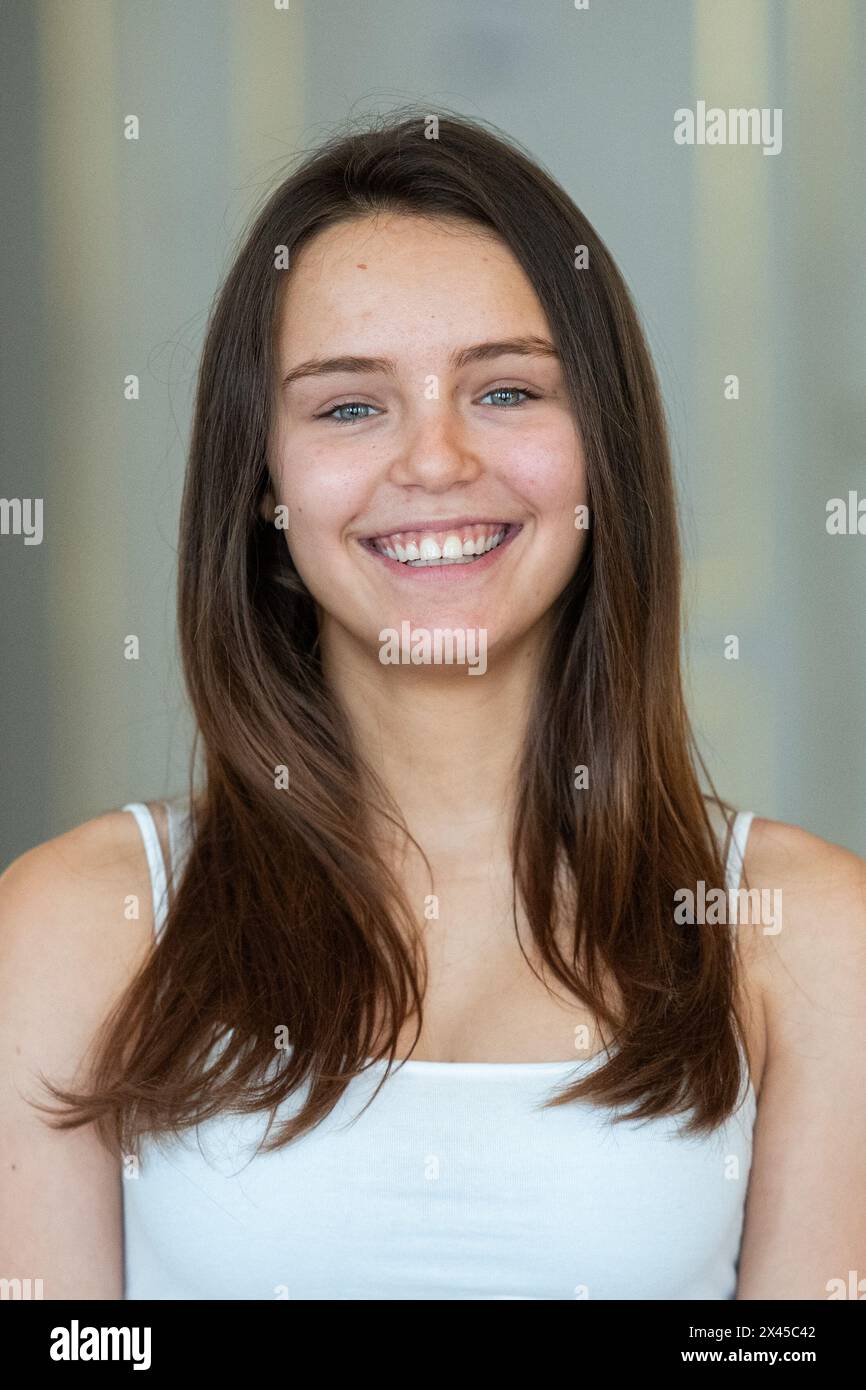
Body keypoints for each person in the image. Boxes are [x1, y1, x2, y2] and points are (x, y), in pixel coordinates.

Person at [1, 111, 864, 1301]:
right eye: (349, 406)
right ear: (264, 488)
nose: (436, 460)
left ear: (601, 455)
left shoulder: (808, 934)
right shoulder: (71, 925)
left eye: (505, 390)